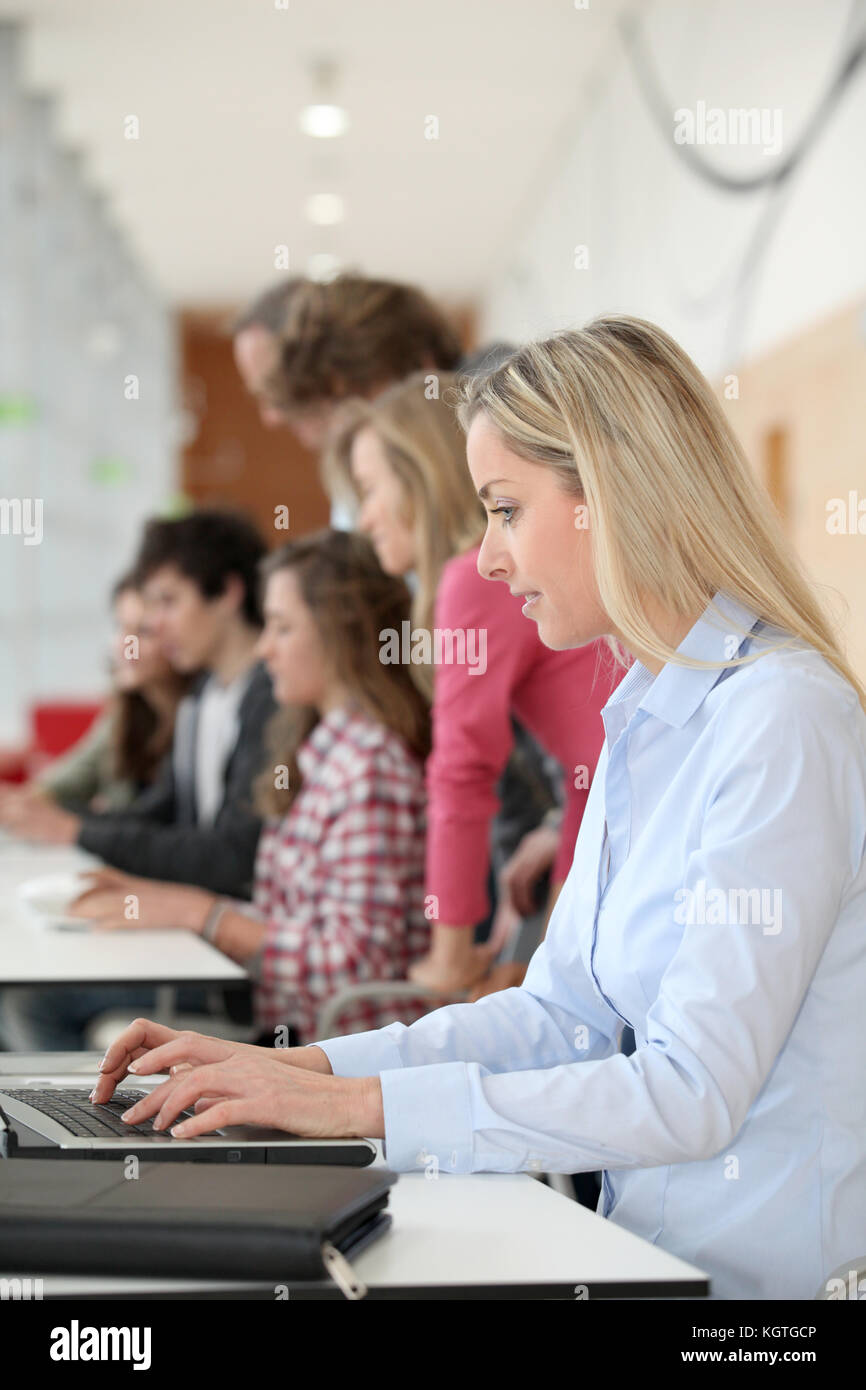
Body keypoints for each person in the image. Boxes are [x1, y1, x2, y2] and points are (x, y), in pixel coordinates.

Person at [92, 315, 866, 1302]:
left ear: (610, 496)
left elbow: (690, 1093)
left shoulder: (780, 717)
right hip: (642, 1255)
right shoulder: (641, 714)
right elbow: (560, 1015)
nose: (488, 561)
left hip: (759, 1302)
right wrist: (305, 1071)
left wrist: (361, 1106)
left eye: (503, 509)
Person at [65, 531, 432, 1046]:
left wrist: (203, 915)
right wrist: (168, 900)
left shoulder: (368, 768)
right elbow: (297, 920)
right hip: (298, 1036)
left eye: (281, 628)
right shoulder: (321, 751)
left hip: (335, 1052)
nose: (266, 648)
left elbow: (353, 968)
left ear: (338, 634)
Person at [325, 371, 612, 994]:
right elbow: (590, 774)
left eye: (370, 490)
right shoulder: (479, 580)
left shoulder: (470, 581)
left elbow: (462, 772)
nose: (365, 517)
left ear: (421, 480)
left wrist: (448, 958)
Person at [0, 508, 276, 897]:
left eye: (169, 602)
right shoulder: (204, 696)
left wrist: (76, 830)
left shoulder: (271, 696)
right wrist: (61, 822)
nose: (158, 625)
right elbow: (158, 815)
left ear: (228, 593)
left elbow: (232, 858)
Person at [0, 572, 189, 821]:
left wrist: (99, 818)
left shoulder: (199, 718)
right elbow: (64, 782)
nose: (125, 645)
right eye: (120, 627)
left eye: (143, 631)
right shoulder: (127, 711)